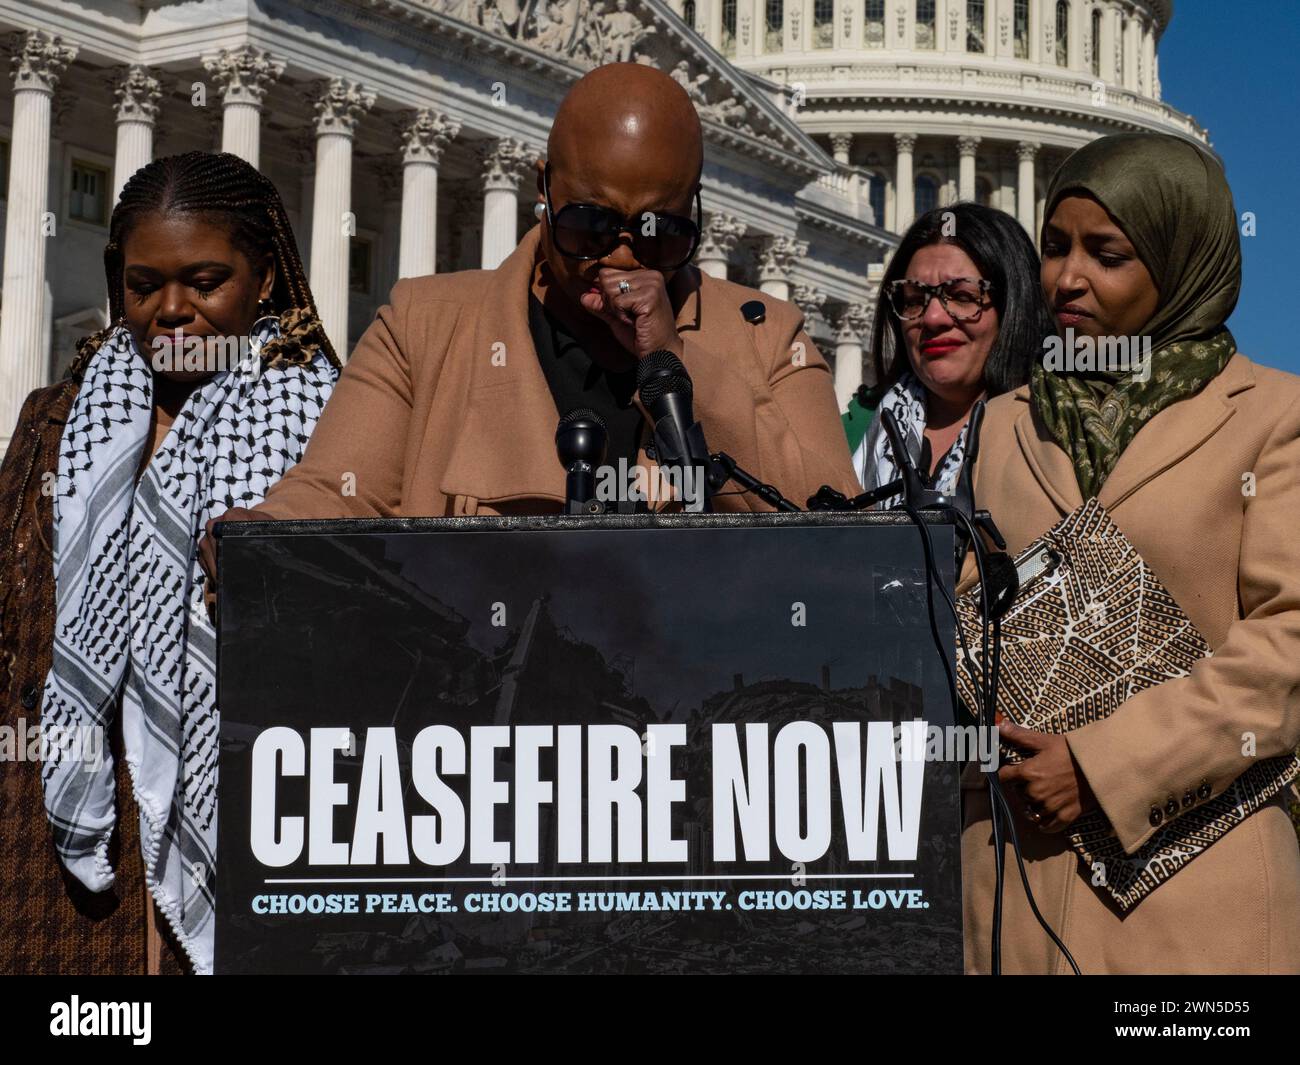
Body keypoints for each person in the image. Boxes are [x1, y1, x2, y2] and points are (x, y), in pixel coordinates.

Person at [200, 61, 855, 556]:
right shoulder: (425, 328)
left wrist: (677, 362)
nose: (622, 258)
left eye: (659, 234)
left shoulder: (769, 338)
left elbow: (844, 533)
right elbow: (336, 492)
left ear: (695, 216)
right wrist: (262, 533)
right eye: (590, 226)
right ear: (542, 186)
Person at [961, 132, 1300, 974]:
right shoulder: (1003, 421)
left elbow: (1287, 646)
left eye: (1105, 253)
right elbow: (972, 627)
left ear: (1182, 259)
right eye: (1053, 247)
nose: (1065, 278)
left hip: (1195, 899)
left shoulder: (1274, 417)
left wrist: (1104, 766)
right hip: (1018, 890)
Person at [0, 151, 339, 975]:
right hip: (62, 839)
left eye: (206, 279)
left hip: (254, 818)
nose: (172, 311)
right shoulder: (54, 420)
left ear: (265, 278)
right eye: (144, 284)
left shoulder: (332, 431)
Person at [852, 203, 1054, 510]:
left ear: (1014, 308)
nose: (933, 318)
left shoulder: (1055, 436)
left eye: (962, 296)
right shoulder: (852, 431)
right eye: (914, 299)